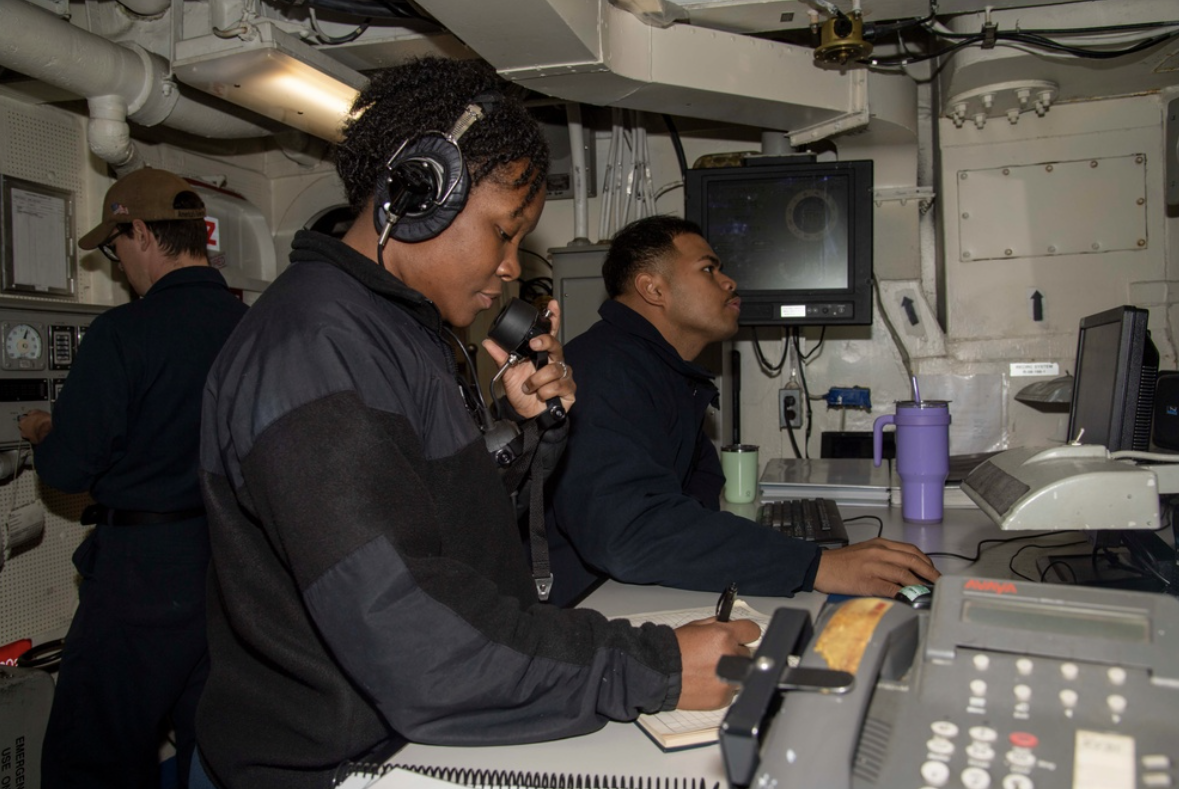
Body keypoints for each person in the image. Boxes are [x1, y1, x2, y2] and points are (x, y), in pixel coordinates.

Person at [191, 57, 759, 789]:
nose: (510, 266)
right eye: (501, 232)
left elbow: (424, 511)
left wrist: (520, 430)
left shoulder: (397, 330)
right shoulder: (313, 348)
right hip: (336, 765)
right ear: (418, 191)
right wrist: (653, 665)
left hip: (411, 734)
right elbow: (407, 633)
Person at [545, 215, 940, 607]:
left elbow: (693, 497)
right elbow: (628, 534)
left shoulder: (663, 375)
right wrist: (816, 566)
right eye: (708, 269)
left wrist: (770, 549)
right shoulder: (601, 374)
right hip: (572, 607)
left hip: (610, 593)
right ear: (653, 289)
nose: (729, 281)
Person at [19, 167, 248, 789]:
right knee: (218, 751)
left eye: (116, 246)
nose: (118, 264)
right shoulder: (252, 328)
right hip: (231, 569)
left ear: (141, 232)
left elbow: (68, 467)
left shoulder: (123, 334)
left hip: (140, 577)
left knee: (92, 758)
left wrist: (42, 430)